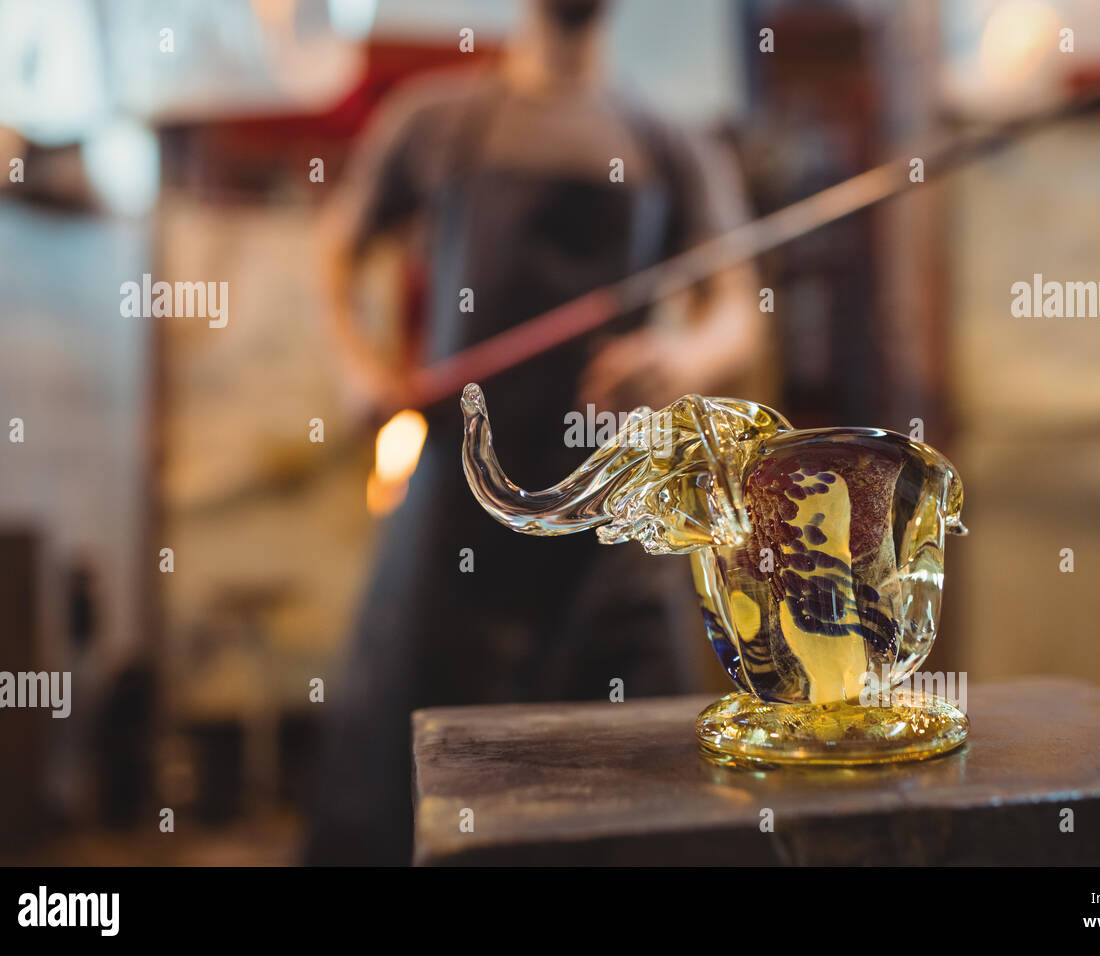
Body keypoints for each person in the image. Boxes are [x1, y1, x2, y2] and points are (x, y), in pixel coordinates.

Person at [307, 0, 768, 864]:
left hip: (617, 515)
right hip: (455, 508)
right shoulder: (435, 120)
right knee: (396, 790)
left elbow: (737, 313)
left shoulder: (669, 139)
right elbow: (337, 248)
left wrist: (686, 357)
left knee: (647, 784)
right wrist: (357, 365)